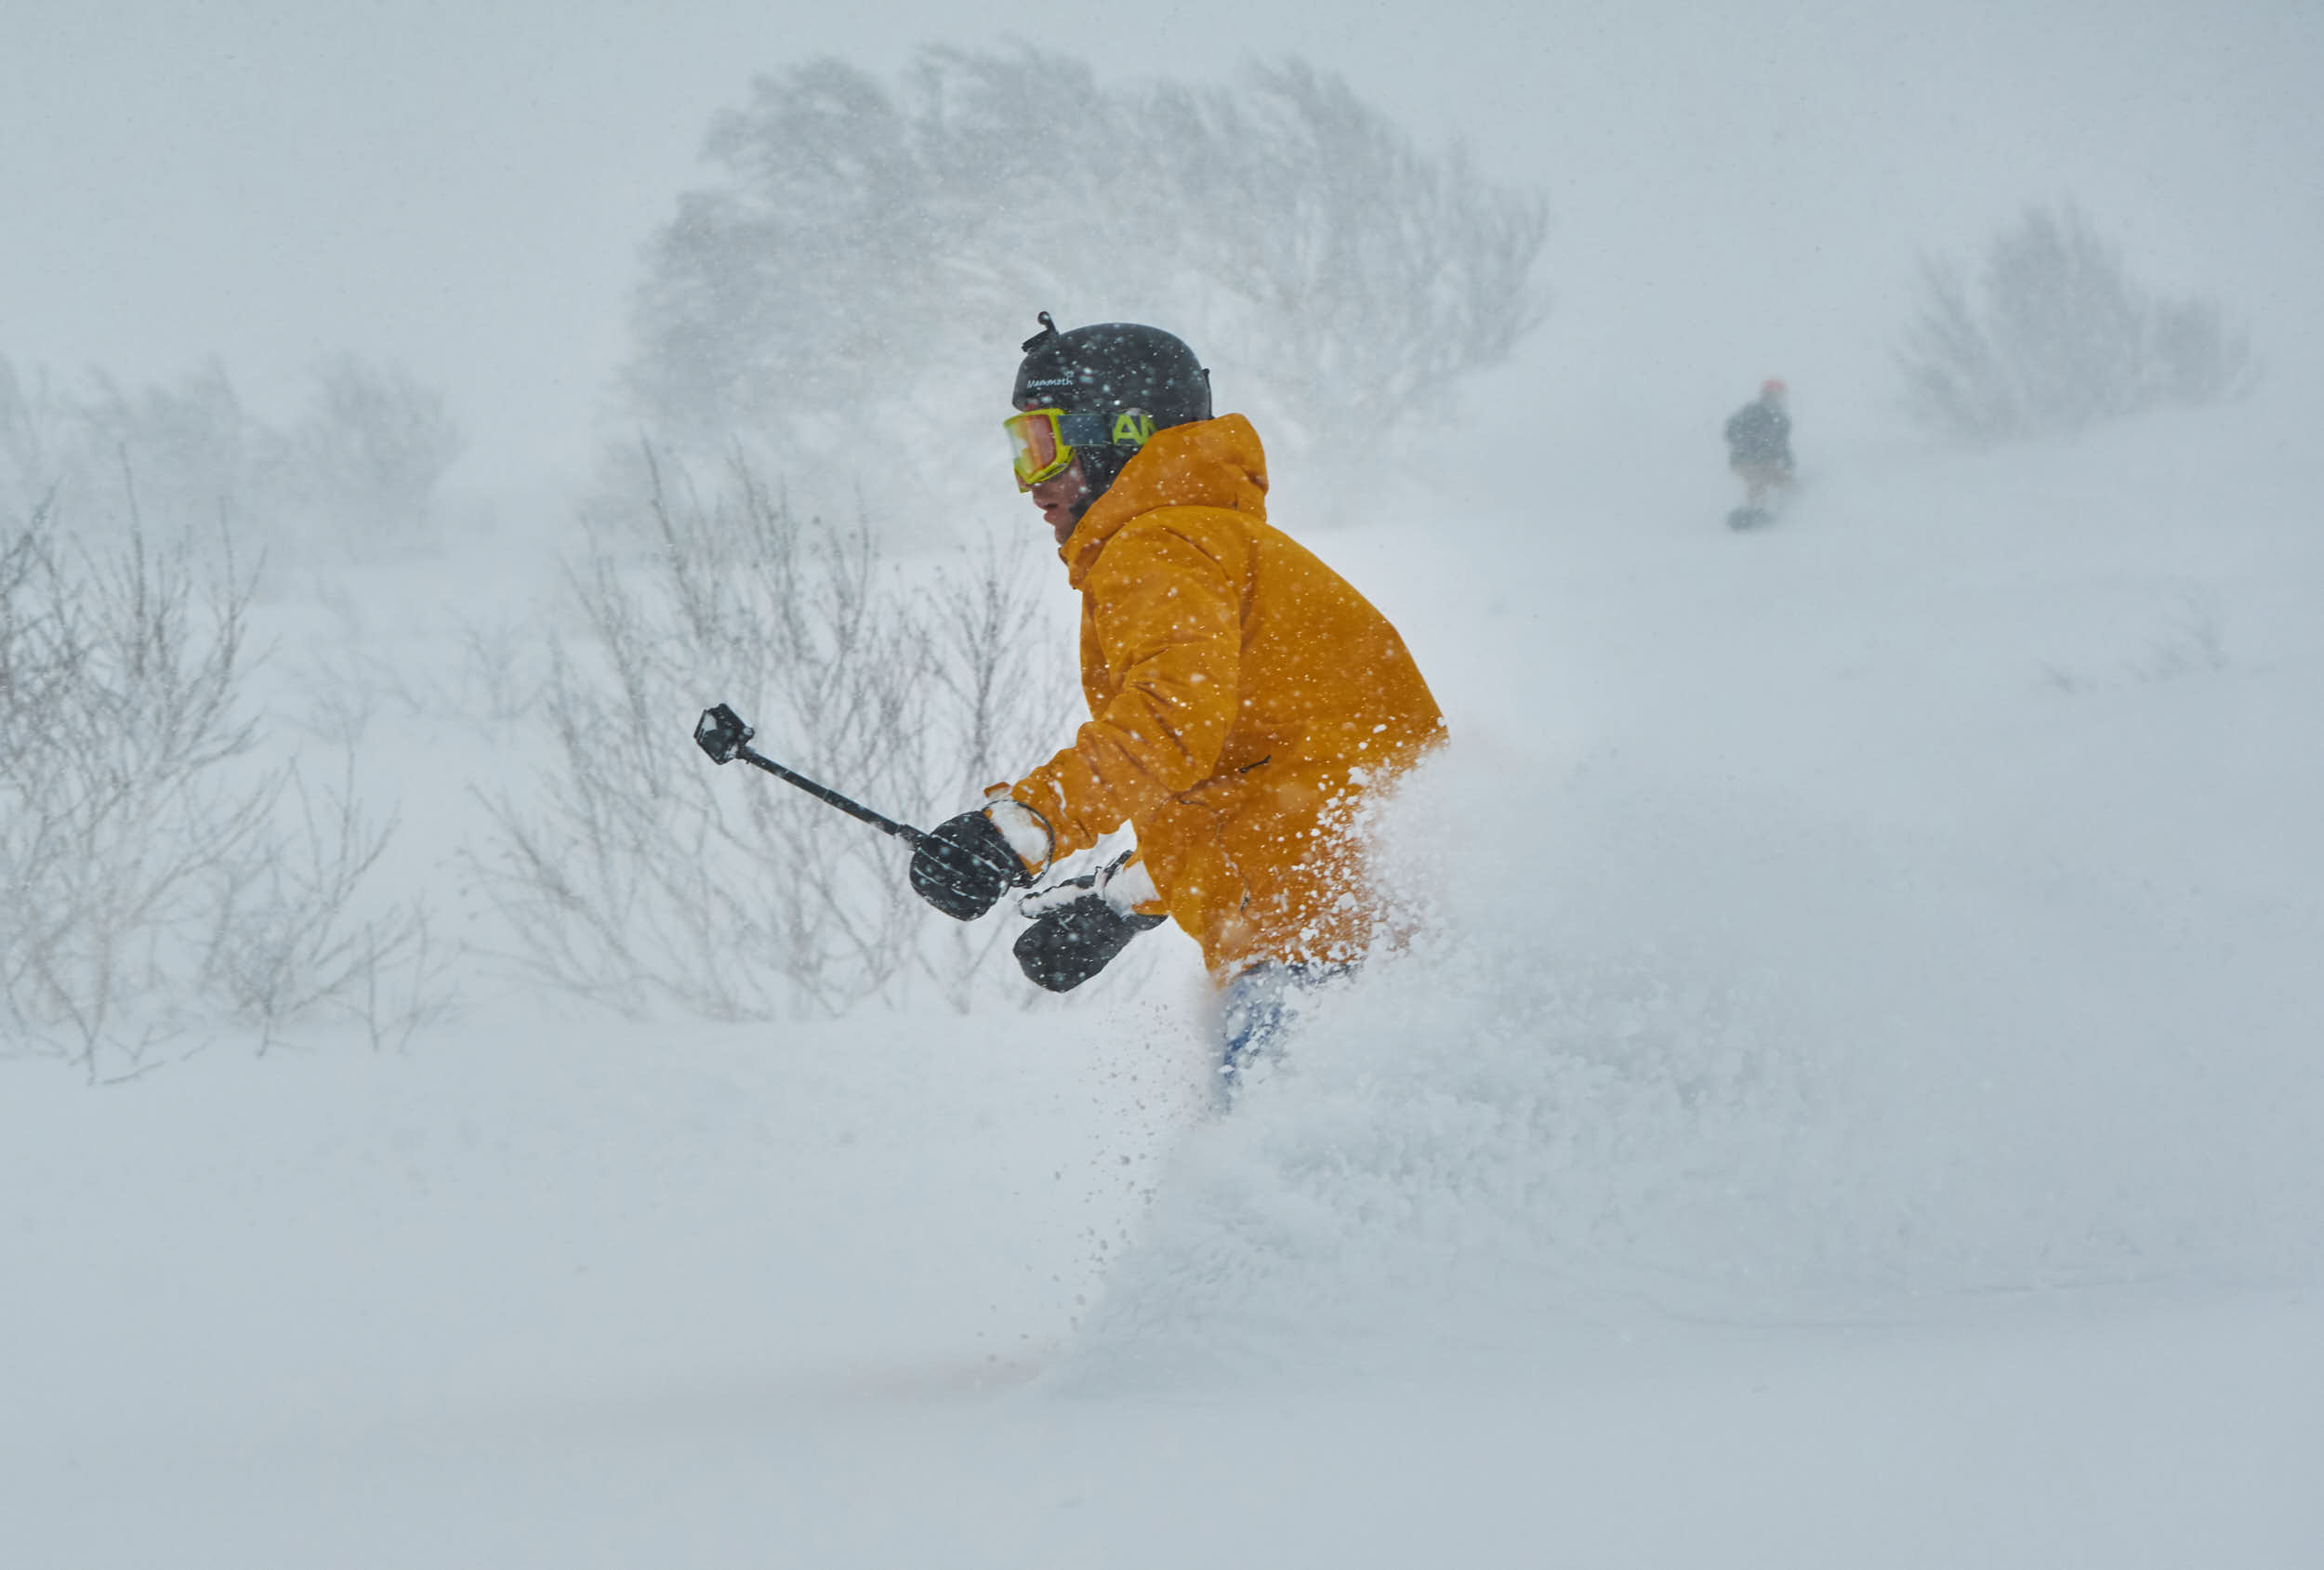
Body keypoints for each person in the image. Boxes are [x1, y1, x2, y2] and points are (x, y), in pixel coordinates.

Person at [908, 312, 1446, 1098]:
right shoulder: (1219, 545)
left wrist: (1019, 831)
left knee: (1284, 1202)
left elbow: (1168, 727)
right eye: (1022, 449)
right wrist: (1122, 903)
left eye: (1045, 445)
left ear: (1119, 435)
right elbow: (1270, 787)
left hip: (1311, 955)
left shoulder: (1157, 546)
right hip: (1371, 935)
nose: (1034, 484)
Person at [1723, 378, 1794, 517]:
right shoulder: (1752, 411)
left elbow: (1783, 444)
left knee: (1786, 481)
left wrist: (1788, 461)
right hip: (1746, 459)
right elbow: (1731, 430)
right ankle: (1755, 510)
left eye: (1778, 395)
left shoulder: (1782, 419)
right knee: (1757, 480)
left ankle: (1789, 509)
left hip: (1766, 461)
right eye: (1772, 394)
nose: (1775, 398)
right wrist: (1747, 444)